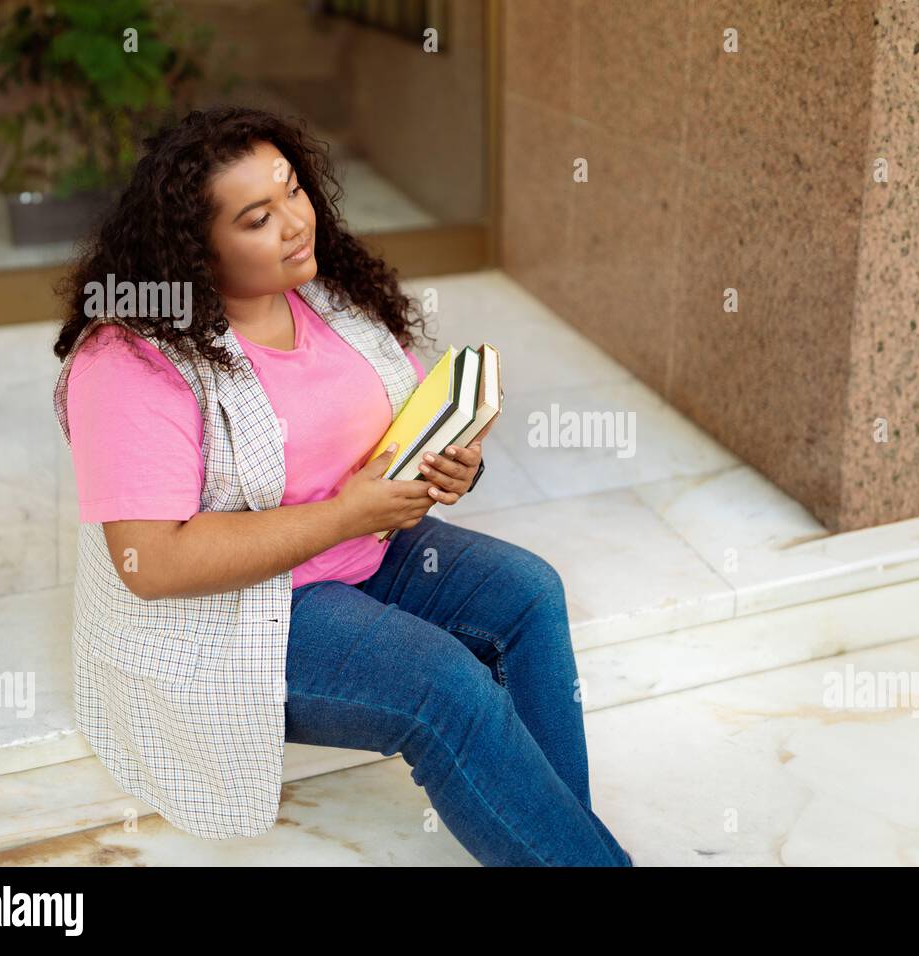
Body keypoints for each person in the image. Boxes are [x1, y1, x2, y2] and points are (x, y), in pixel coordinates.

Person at [51, 105, 634, 867]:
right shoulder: (130, 363)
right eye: (258, 218)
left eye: (294, 191)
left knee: (528, 591)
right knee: (445, 688)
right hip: (243, 612)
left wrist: (454, 460)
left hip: (368, 546)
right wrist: (340, 516)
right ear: (194, 249)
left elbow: (406, 417)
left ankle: (562, 846)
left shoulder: (328, 296)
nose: (297, 223)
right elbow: (152, 563)